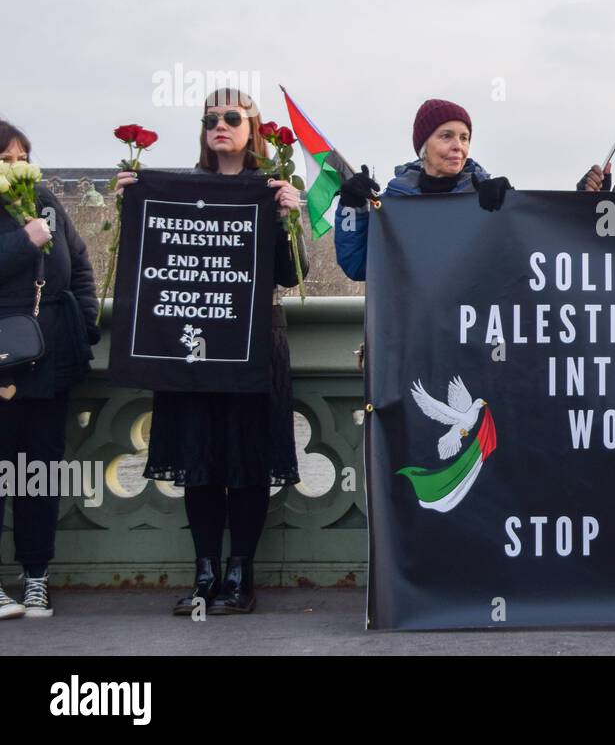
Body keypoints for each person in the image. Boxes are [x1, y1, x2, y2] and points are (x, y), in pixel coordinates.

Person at [116, 89, 308, 615]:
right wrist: (130, 203)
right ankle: (205, 572)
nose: (219, 125)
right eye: (210, 118)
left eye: (231, 117)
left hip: (252, 344)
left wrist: (289, 217)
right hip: (192, 346)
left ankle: (240, 575)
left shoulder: (270, 189)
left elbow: (293, 275)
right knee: (199, 462)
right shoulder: (178, 189)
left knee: (247, 463)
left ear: (253, 129)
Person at [0, 122, 99, 619]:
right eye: (6, 158)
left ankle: (36, 576)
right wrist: (23, 241)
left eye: (23, 157)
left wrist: (83, 321)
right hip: (1, 360)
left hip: (49, 357)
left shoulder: (43, 200)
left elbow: (78, 265)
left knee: (39, 470)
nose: (16, 167)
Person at [334, 99, 511, 281]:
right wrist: (352, 206)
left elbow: (514, 261)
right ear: (423, 148)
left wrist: (510, 204)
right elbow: (356, 265)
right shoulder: (393, 204)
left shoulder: (486, 198)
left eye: (464, 138)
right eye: (446, 136)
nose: (458, 146)